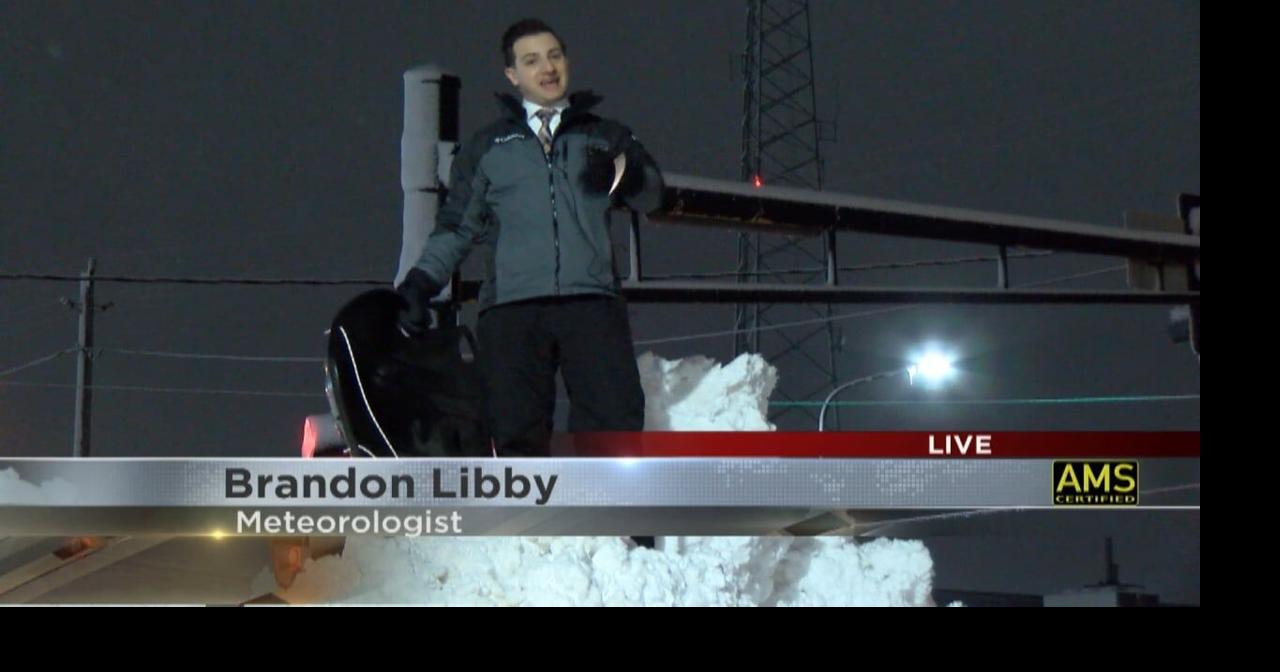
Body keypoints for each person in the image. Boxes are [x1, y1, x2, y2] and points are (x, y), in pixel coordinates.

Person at [396, 17, 665, 457]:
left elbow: (652, 195)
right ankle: (526, 525)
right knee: (513, 432)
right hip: (512, 312)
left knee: (613, 426)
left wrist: (623, 172)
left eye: (555, 55)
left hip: (591, 305)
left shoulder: (604, 135)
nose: (547, 68)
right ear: (512, 75)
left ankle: (618, 523)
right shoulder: (488, 147)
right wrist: (420, 283)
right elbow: (457, 226)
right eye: (532, 60)